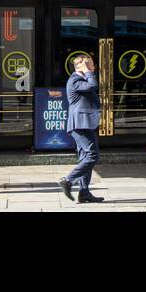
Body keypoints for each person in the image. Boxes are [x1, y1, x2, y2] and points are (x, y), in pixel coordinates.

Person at [58, 52, 102, 204]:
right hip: (80, 125)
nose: (93, 68)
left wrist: (87, 71)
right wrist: (87, 71)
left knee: (85, 157)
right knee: (92, 156)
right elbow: (93, 86)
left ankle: (84, 193)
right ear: (80, 66)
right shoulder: (75, 80)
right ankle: (68, 180)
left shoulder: (80, 79)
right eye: (89, 65)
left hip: (85, 123)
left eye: (92, 65)